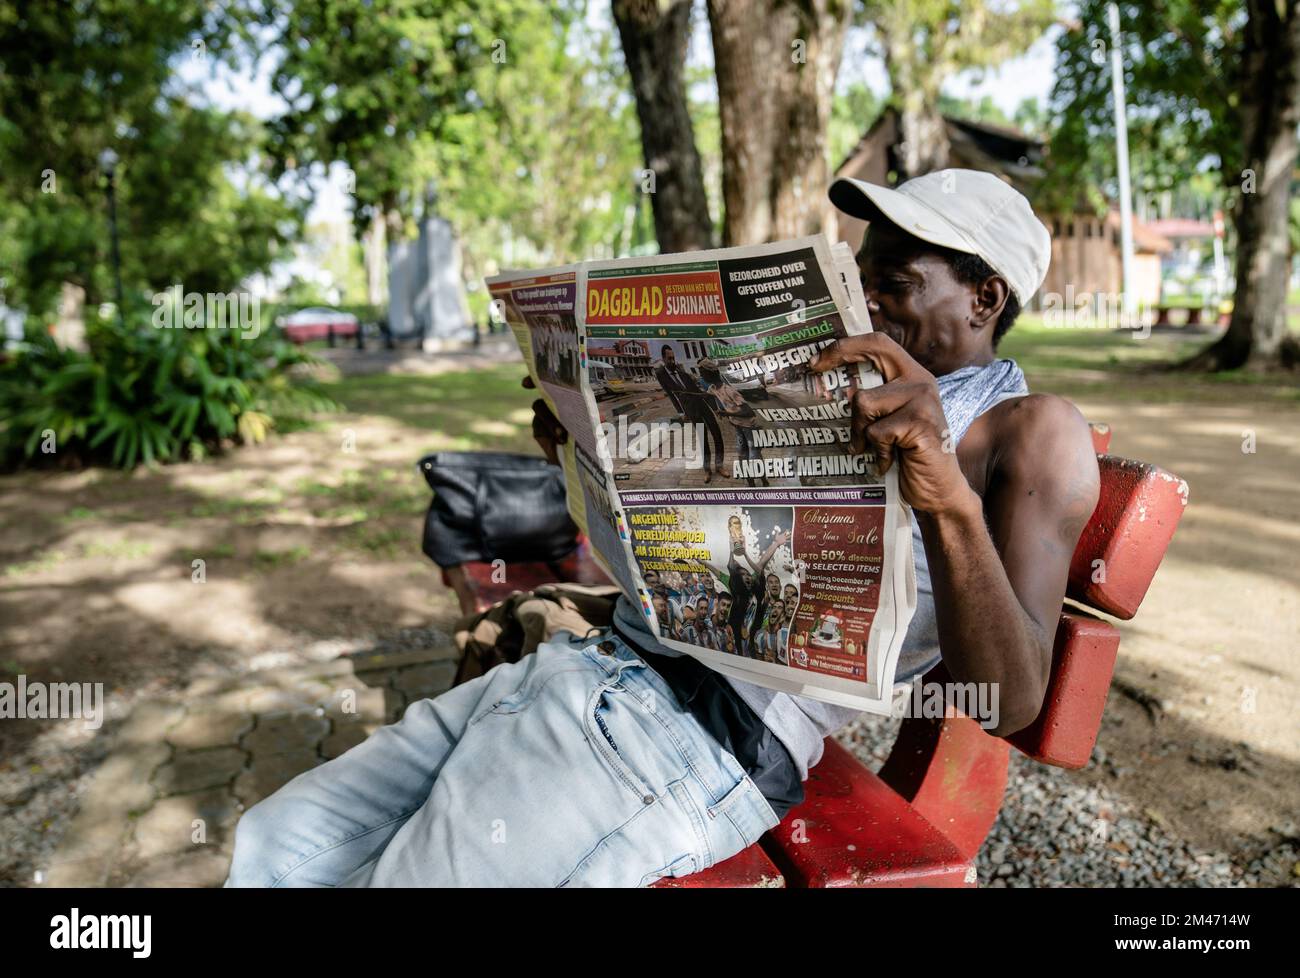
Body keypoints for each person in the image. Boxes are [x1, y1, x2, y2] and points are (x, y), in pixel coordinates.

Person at [226, 169, 1098, 887]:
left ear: (985, 297)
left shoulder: (1028, 432)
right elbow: (647, 558)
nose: (865, 301)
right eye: (861, 276)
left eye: (895, 283)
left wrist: (943, 494)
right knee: (282, 845)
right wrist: (594, 449)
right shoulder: (835, 389)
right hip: (590, 672)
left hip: (683, 738)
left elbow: (1013, 697)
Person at [653, 344, 726, 482]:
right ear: (663, 358)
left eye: (673, 357)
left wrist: (714, 407)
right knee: (703, 438)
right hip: (691, 410)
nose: (672, 361)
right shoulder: (660, 374)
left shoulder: (680, 369)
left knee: (717, 433)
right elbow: (671, 394)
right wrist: (681, 413)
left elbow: (697, 389)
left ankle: (719, 465)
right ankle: (707, 470)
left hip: (702, 404)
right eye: (669, 358)